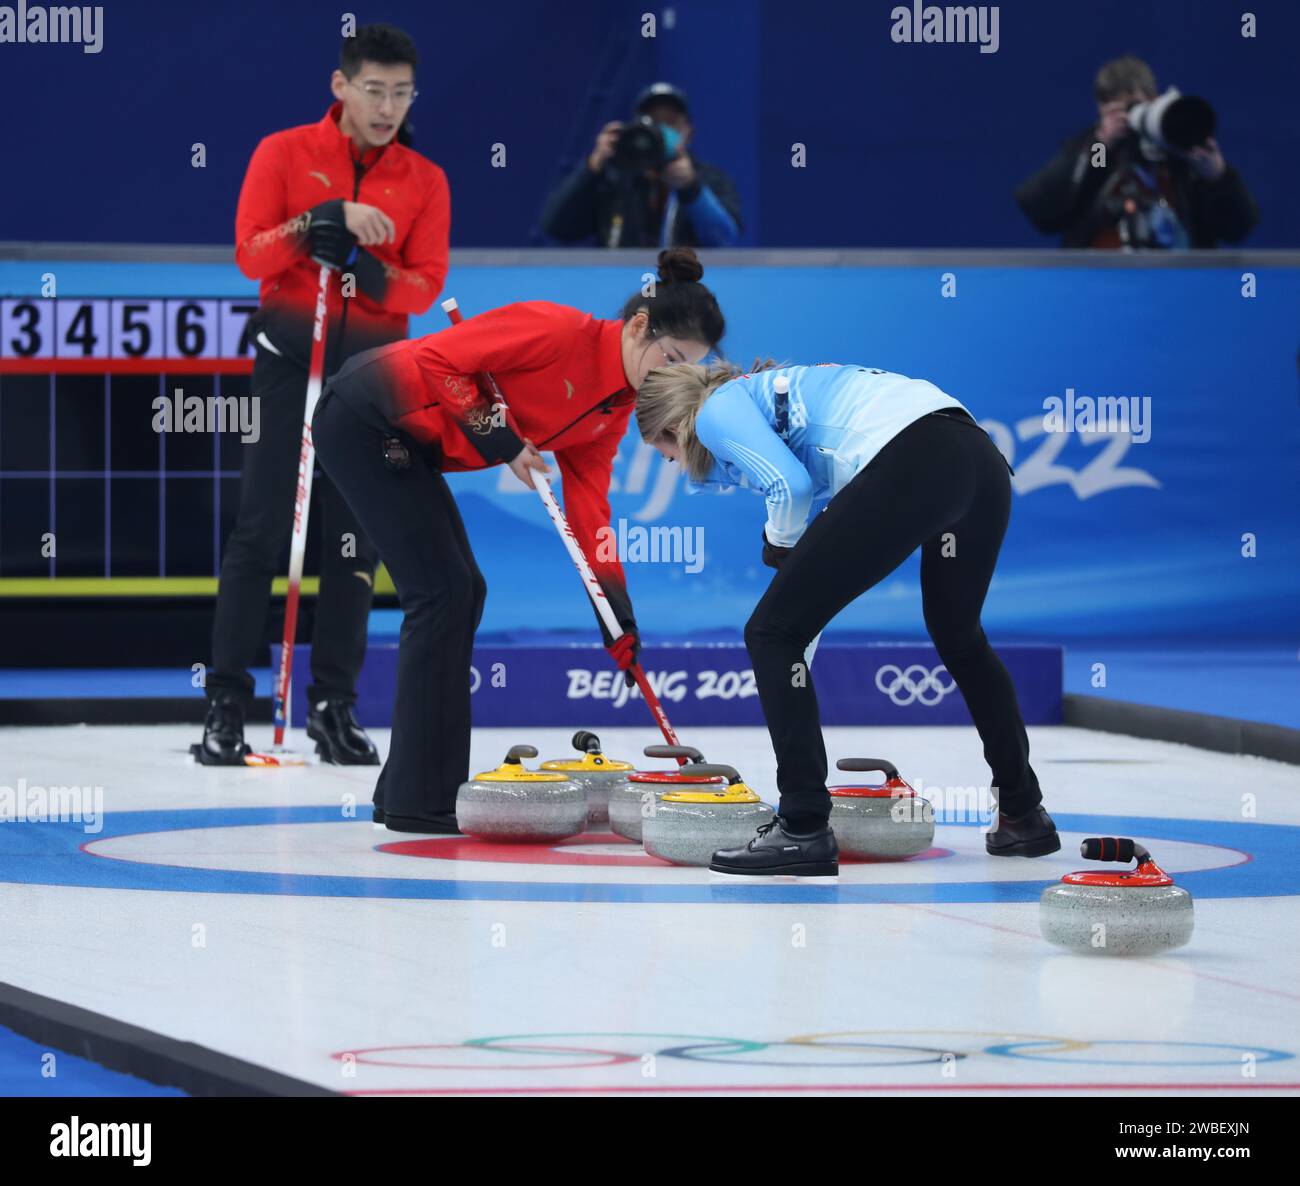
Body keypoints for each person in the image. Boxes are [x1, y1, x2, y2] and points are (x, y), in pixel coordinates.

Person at [313, 248, 726, 833]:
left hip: (413, 446)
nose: (674, 375)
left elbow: (592, 519)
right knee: (442, 594)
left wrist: (617, 616)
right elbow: (438, 359)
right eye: (673, 358)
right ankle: (419, 800)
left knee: (461, 592)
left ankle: (407, 789)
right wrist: (501, 441)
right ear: (639, 327)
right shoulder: (556, 330)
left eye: (689, 368)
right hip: (364, 415)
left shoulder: (613, 410)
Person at [634, 360, 1058, 878]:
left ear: (674, 428)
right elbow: (812, 583)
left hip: (915, 459)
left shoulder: (717, 412)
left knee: (766, 632)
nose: (678, 465)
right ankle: (1023, 813)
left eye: (666, 453)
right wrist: (793, 641)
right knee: (960, 637)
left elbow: (786, 491)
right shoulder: (789, 418)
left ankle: (803, 828)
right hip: (978, 461)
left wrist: (778, 546)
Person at [197, 24, 450, 766]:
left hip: (371, 380)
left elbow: (426, 285)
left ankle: (334, 707)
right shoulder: (283, 153)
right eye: (374, 90)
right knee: (263, 530)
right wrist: (318, 222)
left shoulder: (424, 178)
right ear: (340, 87)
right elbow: (251, 254)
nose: (388, 106)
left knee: (353, 543)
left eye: (402, 93)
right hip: (288, 361)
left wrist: (368, 269)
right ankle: (224, 704)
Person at [1015, 55, 1258, 248]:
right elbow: (1041, 209)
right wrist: (1104, 142)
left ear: (1155, 99)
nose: (1133, 117)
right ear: (1102, 109)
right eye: (1125, 109)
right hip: (1097, 289)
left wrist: (1217, 178)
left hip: (1181, 287)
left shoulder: (1179, 148)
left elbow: (1239, 229)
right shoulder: (1098, 151)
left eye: (1141, 105)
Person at [540, 82, 742, 248]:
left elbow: (724, 240)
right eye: (651, 121)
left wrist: (691, 189)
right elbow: (556, 227)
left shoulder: (709, 179)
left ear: (688, 133)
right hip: (621, 289)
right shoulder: (615, 178)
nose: (660, 129)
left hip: (684, 291)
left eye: (670, 122)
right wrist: (593, 166)